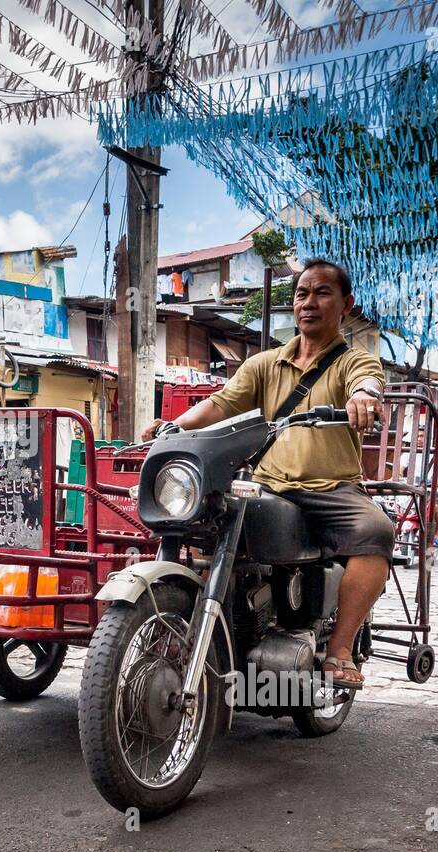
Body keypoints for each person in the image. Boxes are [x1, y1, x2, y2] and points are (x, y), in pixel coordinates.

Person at [141, 258, 390, 690]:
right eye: (301, 294)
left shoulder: (354, 361)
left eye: (321, 293)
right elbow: (221, 403)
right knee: (204, 521)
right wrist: (176, 426)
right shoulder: (264, 363)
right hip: (270, 486)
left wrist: (364, 399)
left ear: (345, 304)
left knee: (377, 531)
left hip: (332, 489)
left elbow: (367, 383)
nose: (308, 302)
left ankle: (341, 649)